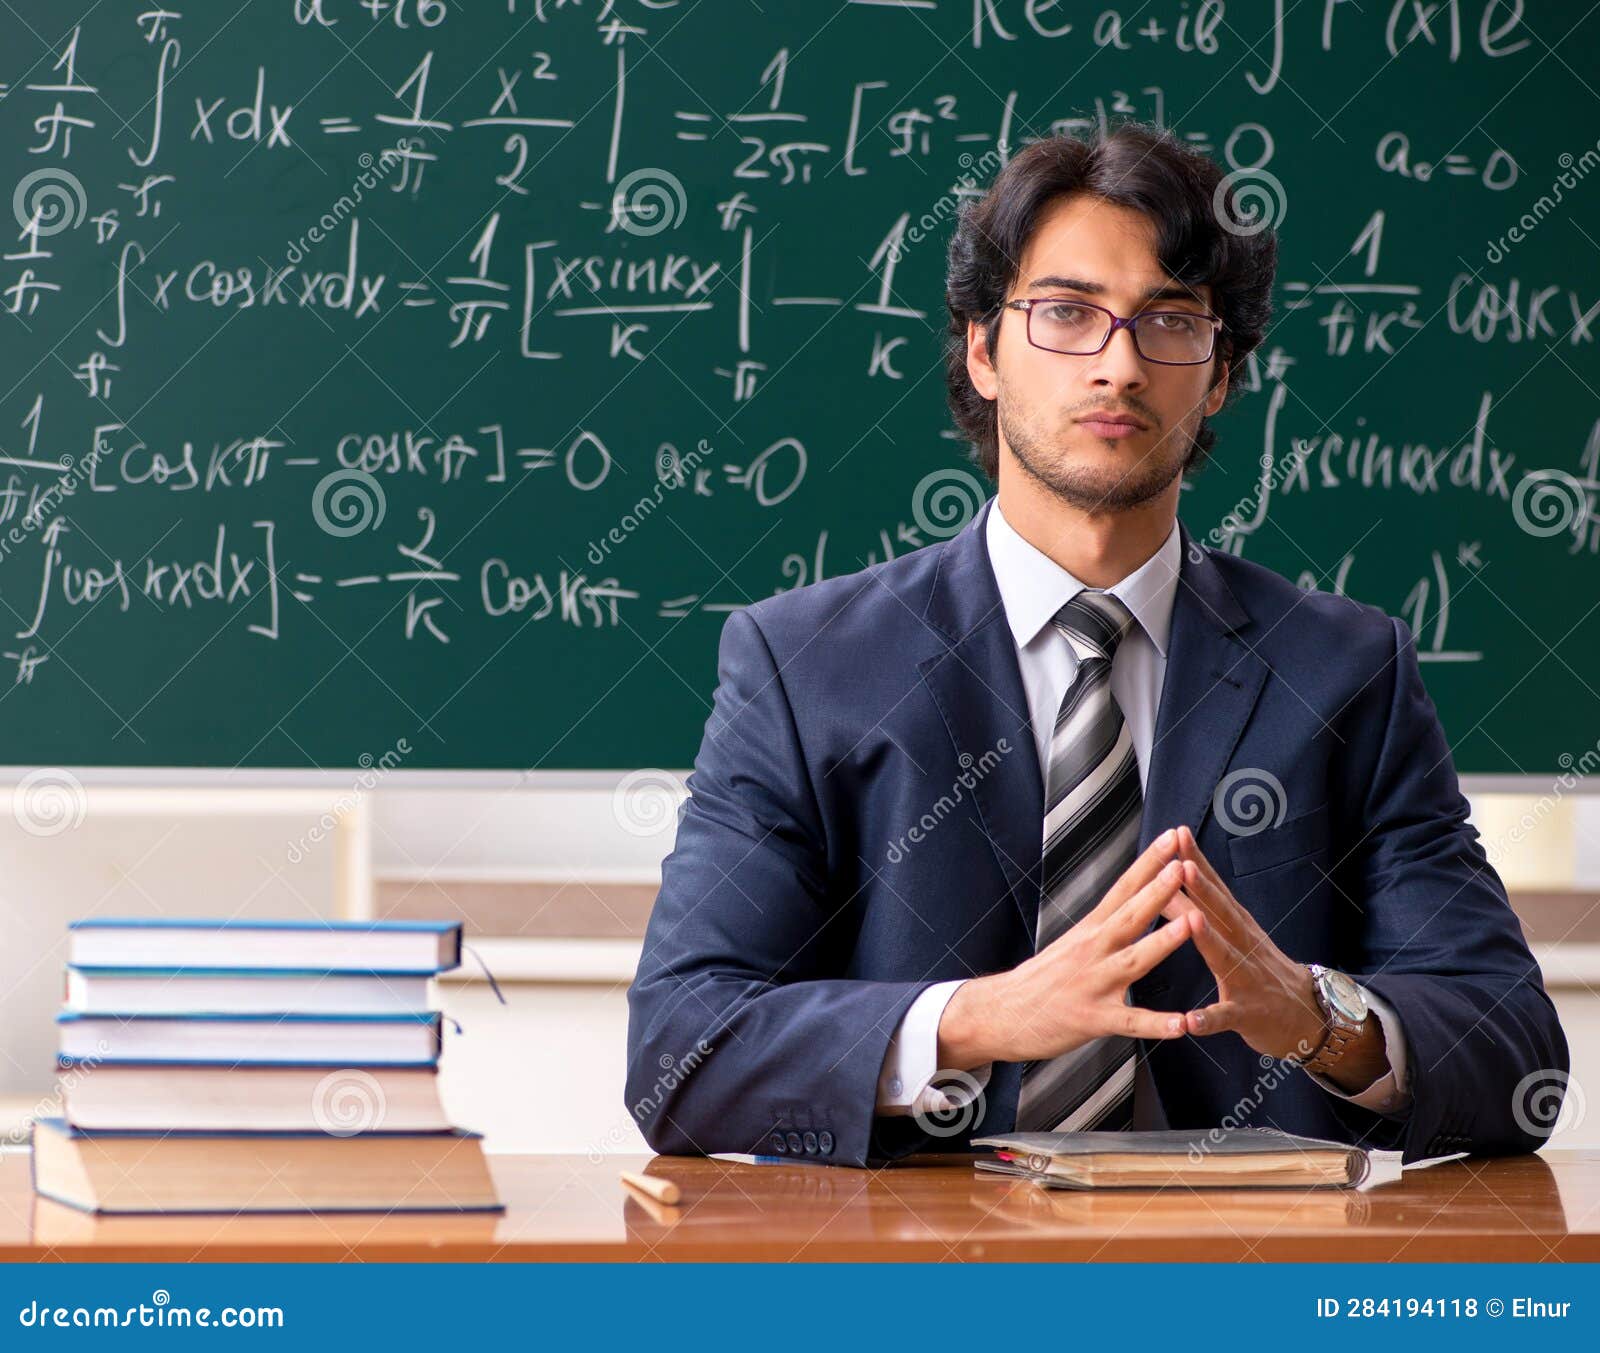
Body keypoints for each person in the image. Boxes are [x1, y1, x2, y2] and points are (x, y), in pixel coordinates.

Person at [625, 122, 1568, 1168]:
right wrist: (978, 1019)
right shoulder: (805, 664)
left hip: (1250, 1292)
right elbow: (681, 1049)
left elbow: (1517, 1061)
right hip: (922, 1288)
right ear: (982, 351)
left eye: (1169, 320)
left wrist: (1311, 1016)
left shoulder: (1346, 671)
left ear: (1216, 377)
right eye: (1066, 314)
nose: (1118, 365)